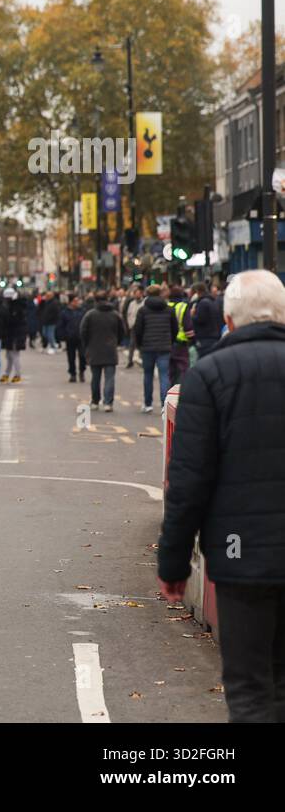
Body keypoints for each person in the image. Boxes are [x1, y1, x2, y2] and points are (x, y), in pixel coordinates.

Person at [158, 270, 285, 722]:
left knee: (250, 690)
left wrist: (173, 565)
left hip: (241, 557)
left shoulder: (208, 376)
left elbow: (188, 482)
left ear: (228, 320)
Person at [132, 283, 177, 413]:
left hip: (147, 347)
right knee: (164, 375)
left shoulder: (143, 310)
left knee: (148, 375)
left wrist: (139, 345)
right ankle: (164, 404)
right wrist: (170, 342)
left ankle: (148, 404)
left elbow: (138, 330)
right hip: (164, 347)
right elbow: (174, 328)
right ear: (161, 293)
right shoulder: (169, 309)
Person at [80, 291, 125, 412]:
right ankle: (108, 403)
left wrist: (87, 345)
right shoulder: (115, 315)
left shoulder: (90, 315)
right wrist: (116, 342)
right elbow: (122, 331)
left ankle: (95, 401)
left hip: (94, 350)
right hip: (110, 349)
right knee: (109, 378)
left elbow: (83, 332)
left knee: (95, 377)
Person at [168, 287, 195, 386]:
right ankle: (183, 392)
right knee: (183, 369)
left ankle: (169, 395)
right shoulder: (183, 307)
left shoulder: (166, 306)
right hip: (181, 343)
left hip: (168, 342)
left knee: (171, 371)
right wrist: (192, 340)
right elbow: (188, 326)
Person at [56, 294, 86, 383]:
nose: (78, 302)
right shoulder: (64, 312)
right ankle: (72, 373)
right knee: (71, 357)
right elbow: (60, 325)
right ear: (71, 302)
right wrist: (62, 337)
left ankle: (82, 371)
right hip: (70, 337)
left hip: (81, 337)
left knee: (82, 355)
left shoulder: (82, 311)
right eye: (75, 301)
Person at [191, 281, 224, 358]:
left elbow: (200, 319)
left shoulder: (203, 303)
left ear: (197, 291)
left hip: (206, 337)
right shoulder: (211, 301)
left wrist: (192, 315)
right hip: (214, 335)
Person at [2, 287, 27, 384]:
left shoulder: (16, 307)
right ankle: (7, 374)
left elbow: (14, 321)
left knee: (14, 355)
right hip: (12, 334)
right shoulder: (14, 306)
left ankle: (17, 375)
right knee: (9, 355)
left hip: (15, 335)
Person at [123, 286, 144, 367]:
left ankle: (142, 360)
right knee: (132, 344)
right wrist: (130, 324)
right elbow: (128, 314)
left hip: (142, 327)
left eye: (138, 293)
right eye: (135, 294)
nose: (136, 295)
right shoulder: (131, 303)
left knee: (142, 344)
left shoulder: (144, 303)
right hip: (133, 327)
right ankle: (130, 361)